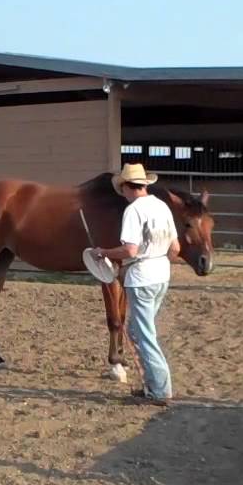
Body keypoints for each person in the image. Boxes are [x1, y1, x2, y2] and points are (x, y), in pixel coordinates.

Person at [90, 162, 180, 406]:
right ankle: (152, 386)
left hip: (142, 278)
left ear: (126, 187)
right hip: (162, 274)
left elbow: (130, 249)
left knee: (144, 334)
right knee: (136, 331)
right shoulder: (161, 206)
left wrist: (104, 253)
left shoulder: (134, 210)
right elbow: (176, 248)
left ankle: (160, 390)